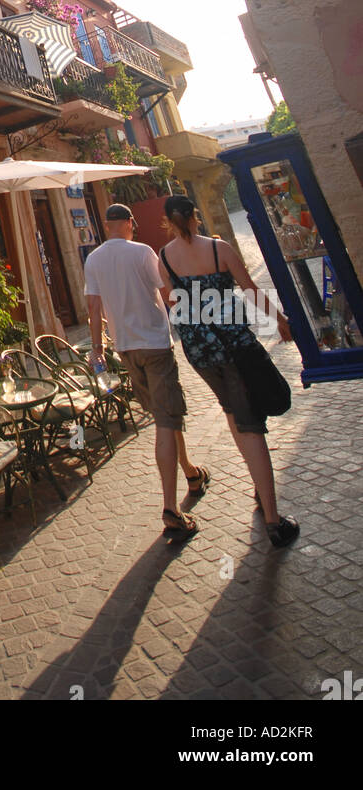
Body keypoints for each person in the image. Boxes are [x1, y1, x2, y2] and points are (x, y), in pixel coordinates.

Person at [158, 194, 299, 550]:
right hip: (235, 347)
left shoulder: (164, 257)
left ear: (168, 222)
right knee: (251, 426)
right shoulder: (220, 250)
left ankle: (259, 486)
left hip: (201, 354)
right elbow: (251, 291)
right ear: (194, 216)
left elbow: (177, 304)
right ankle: (273, 519)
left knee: (235, 413)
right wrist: (280, 321)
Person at [85, 203, 207, 542]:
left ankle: (191, 473)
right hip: (154, 343)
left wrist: (98, 348)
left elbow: (93, 309)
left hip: (126, 349)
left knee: (163, 417)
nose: (135, 227)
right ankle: (170, 508)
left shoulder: (94, 259)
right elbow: (167, 293)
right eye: (133, 223)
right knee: (166, 421)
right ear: (126, 223)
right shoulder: (142, 253)